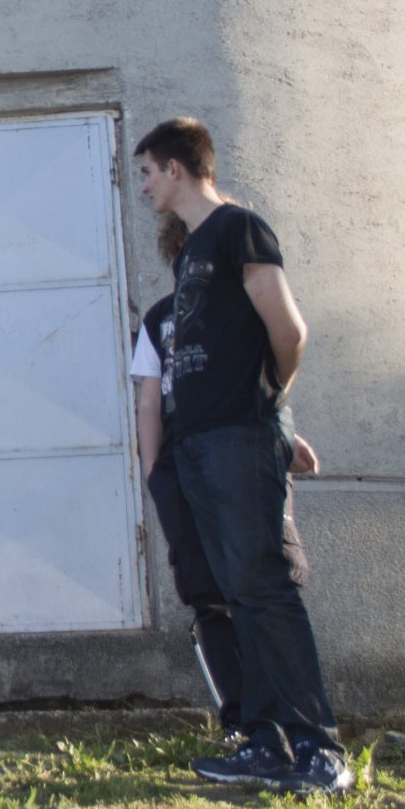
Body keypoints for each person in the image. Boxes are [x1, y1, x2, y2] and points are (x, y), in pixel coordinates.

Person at [134, 117, 349, 797]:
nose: (143, 187)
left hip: (239, 434)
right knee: (236, 595)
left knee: (264, 586)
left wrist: (268, 401)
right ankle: (265, 741)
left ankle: (319, 747)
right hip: (197, 444)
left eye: (147, 172)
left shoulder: (238, 228)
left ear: (176, 168)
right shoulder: (191, 254)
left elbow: (289, 330)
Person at [130, 218, 319, 742]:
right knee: (208, 593)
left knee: (264, 579)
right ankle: (242, 721)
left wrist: (283, 431)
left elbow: (268, 361)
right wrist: (154, 471)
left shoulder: (240, 304)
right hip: (182, 463)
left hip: (242, 448)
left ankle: (288, 719)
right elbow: (149, 399)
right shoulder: (159, 319)